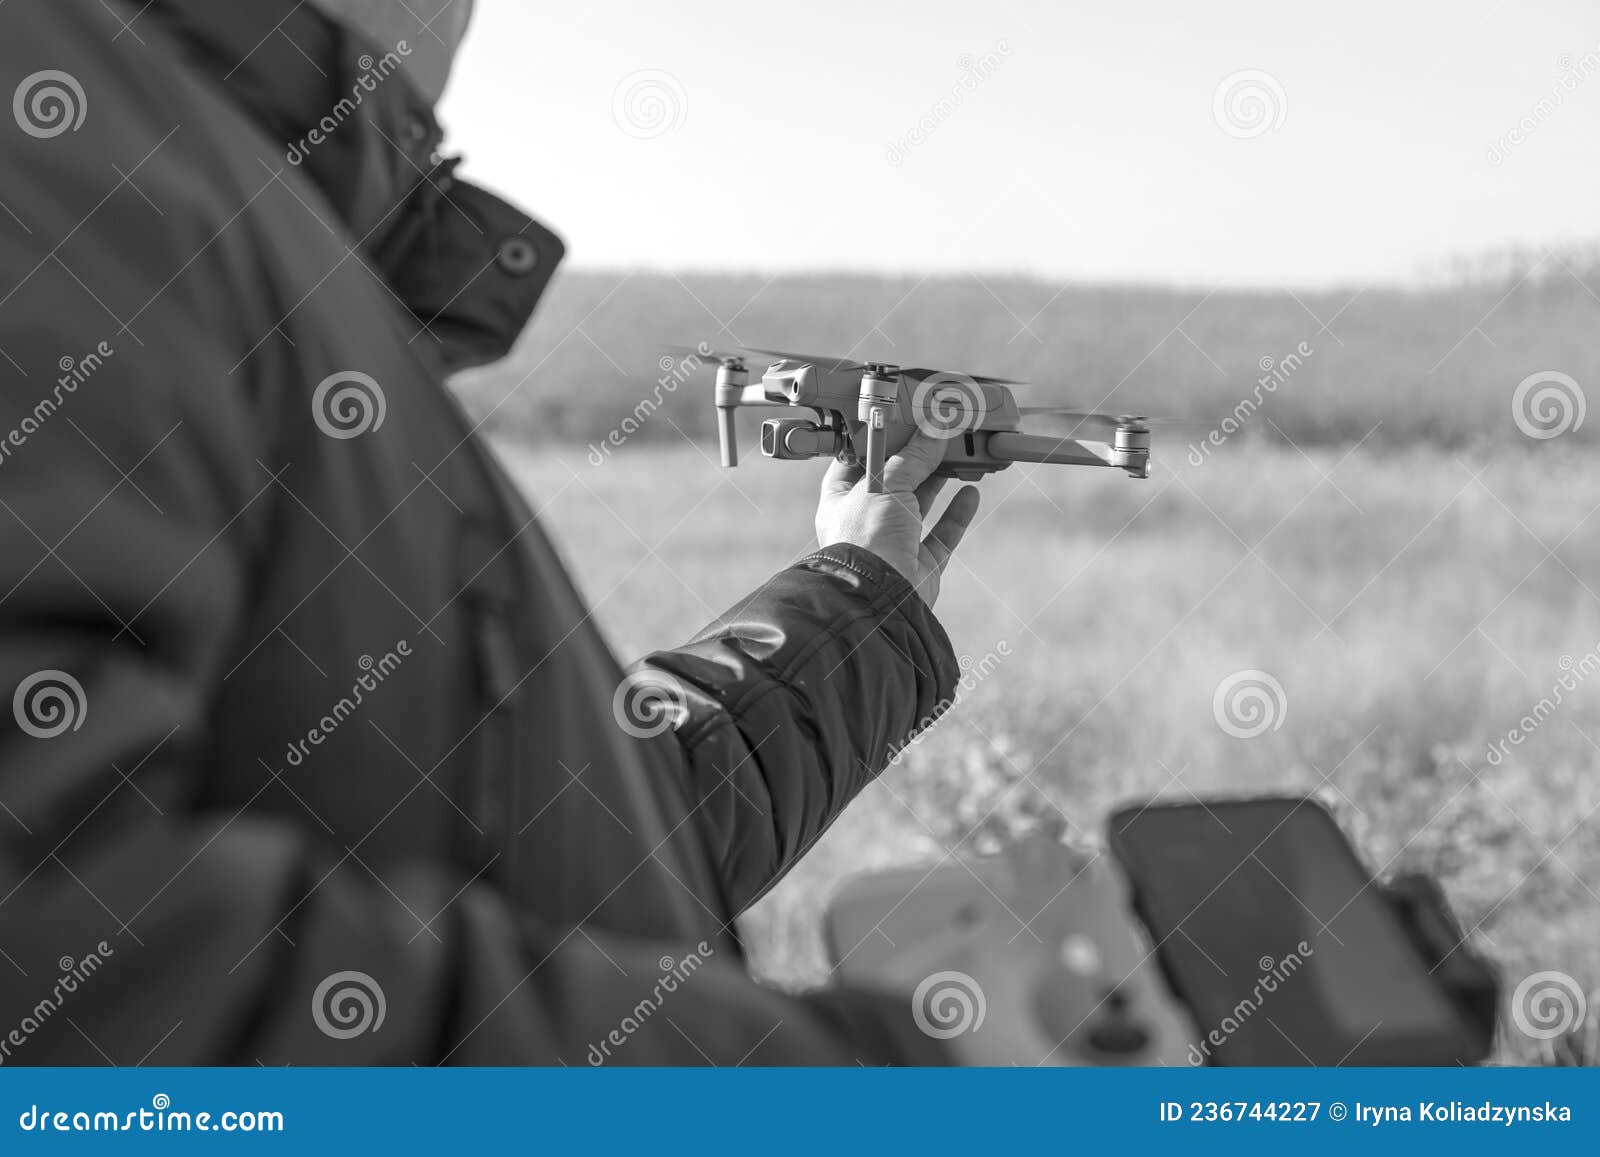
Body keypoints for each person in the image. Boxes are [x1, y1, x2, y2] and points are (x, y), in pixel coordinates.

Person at [0, 0, 1044, 1065]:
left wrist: (861, 593)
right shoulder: (70, 149)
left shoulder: (227, 212)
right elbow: (67, 975)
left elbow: (567, 846)